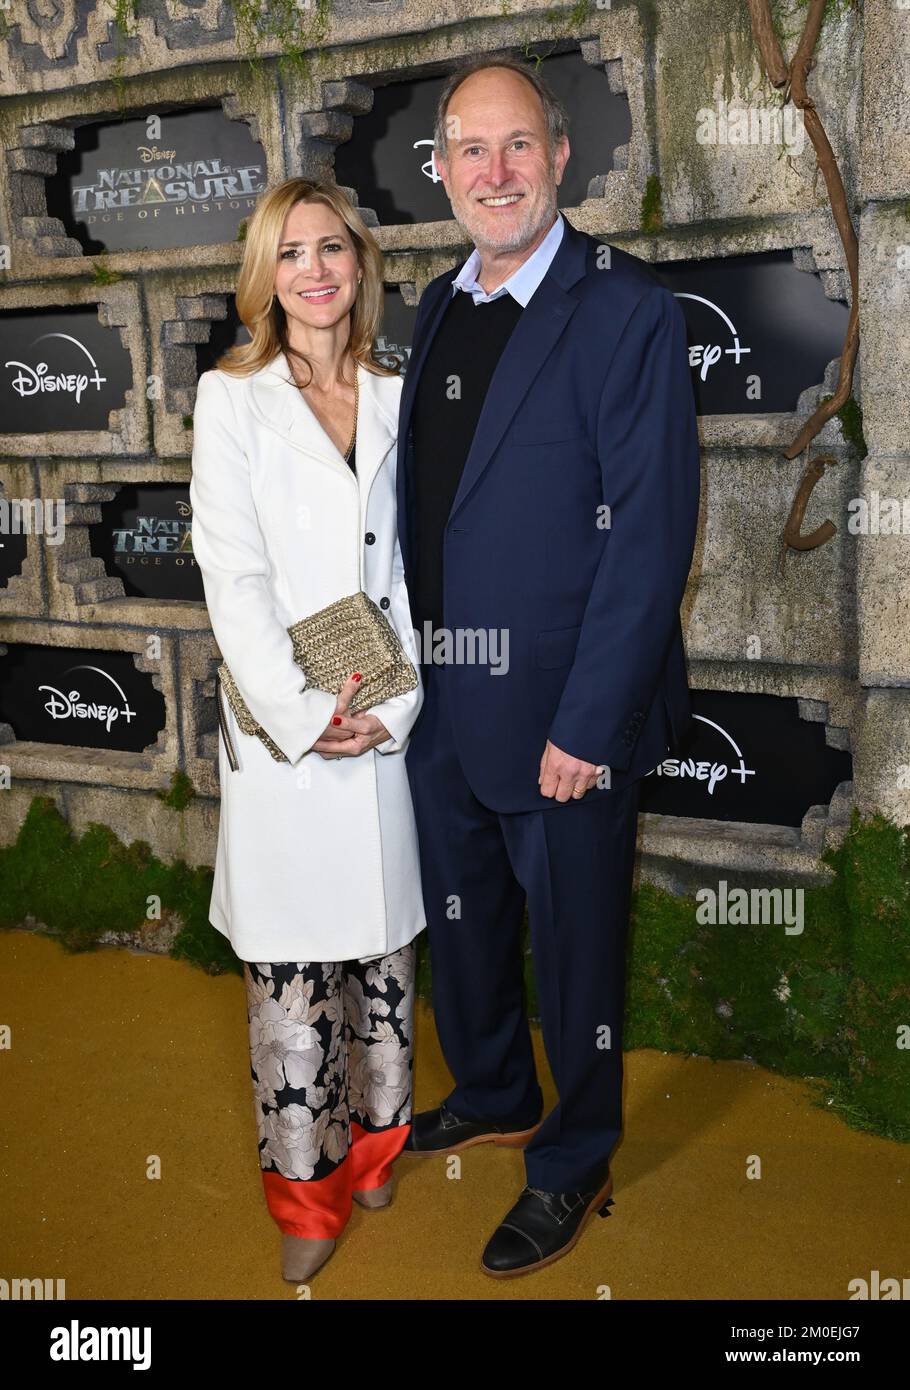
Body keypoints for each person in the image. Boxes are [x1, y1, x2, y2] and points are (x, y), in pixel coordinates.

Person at [397, 56, 701, 1276]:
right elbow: (423, 510)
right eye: (469, 151)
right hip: (444, 705)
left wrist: (586, 724)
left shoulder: (627, 311)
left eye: (516, 145)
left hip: (565, 721)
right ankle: (488, 1085)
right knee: (465, 931)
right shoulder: (436, 306)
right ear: (443, 171)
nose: (494, 172)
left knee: (575, 951)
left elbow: (649, 541)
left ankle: (572, 1156)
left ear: (560, 157)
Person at [188, 177, 425, 1284]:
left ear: (358, 263)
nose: (315, 270)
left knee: (380, 952)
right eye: (290, 253)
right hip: (287, 722)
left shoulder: (395, 387)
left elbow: (416, 563)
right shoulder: (230, 398)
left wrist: (394, 700)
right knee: (292, 978)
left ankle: (377, 1144)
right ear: (263, 275)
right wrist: (298, 712)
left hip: (376, 704)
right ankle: (307, 1195)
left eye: (331, 247)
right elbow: (232, 578)